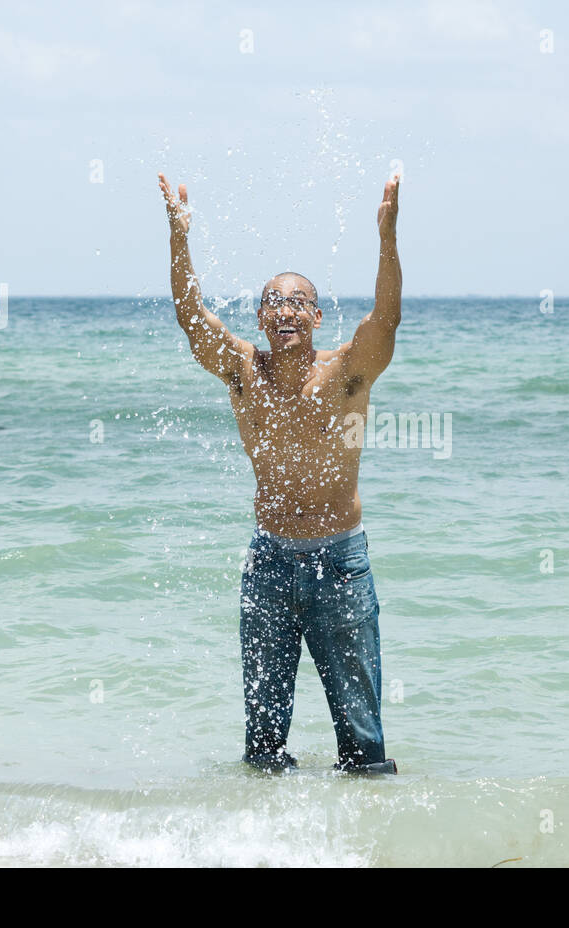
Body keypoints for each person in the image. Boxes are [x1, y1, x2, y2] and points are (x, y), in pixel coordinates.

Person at [157, 170, 402, 774]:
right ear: (262, 319)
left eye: (298, 301)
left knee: (363, 746)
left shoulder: (348, 371)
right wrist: (178, 237)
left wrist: (387, 237)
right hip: (268, 563)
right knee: (263, 748)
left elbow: (387, 319)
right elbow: (193, 321)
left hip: (341, 565)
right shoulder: (243, 372)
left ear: (316, 316)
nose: (285, 309)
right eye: (273, 301)